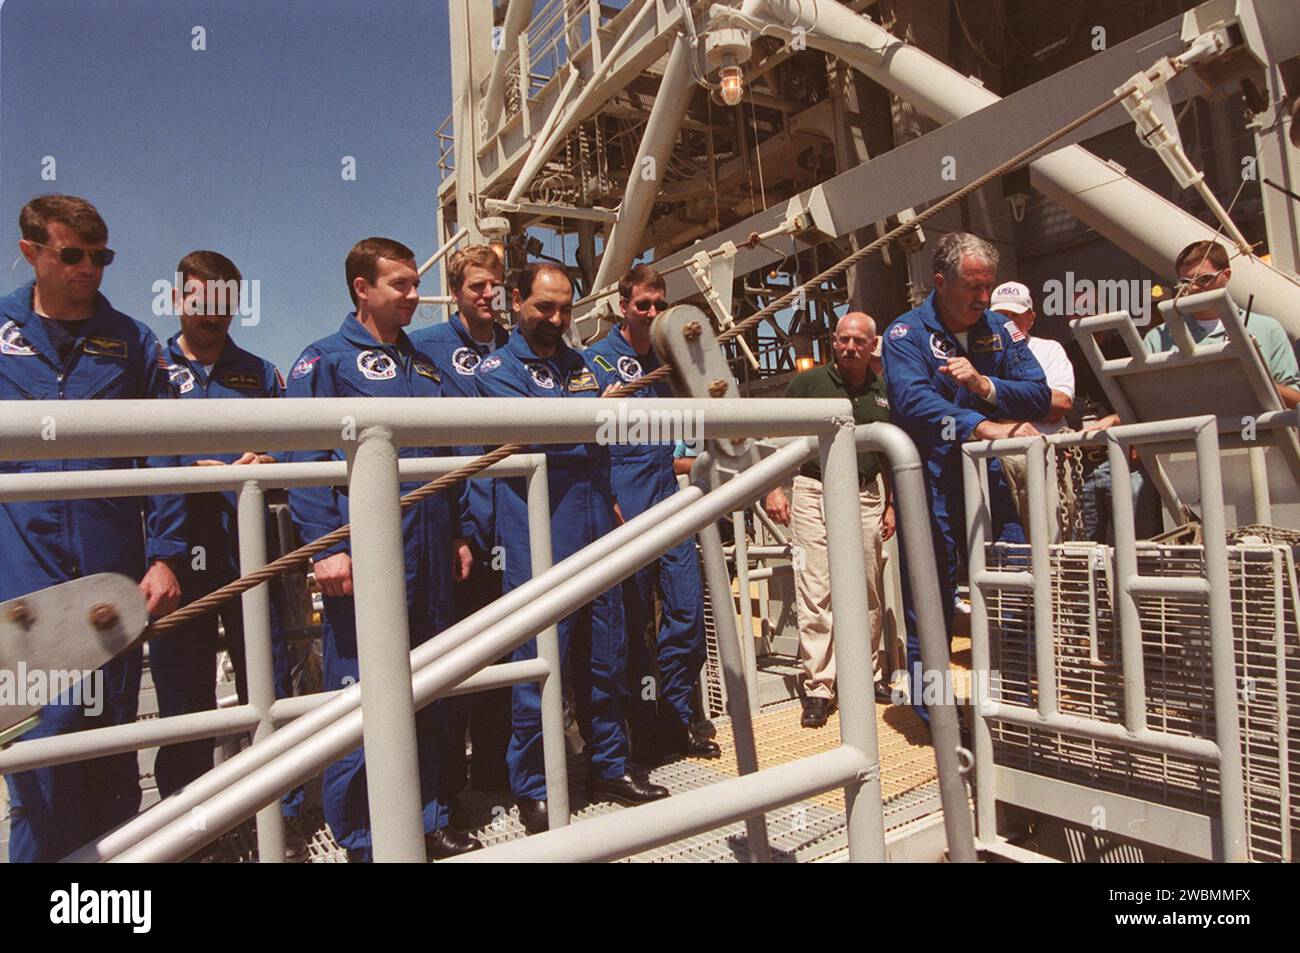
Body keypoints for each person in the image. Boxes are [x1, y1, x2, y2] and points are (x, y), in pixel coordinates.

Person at [1, 194, 185, 862]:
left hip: (111, 573)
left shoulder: (132, 341)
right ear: (32, 252)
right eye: (71, 254)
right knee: (43, 746)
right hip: (21, 572)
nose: (89, 268)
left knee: (108, 740)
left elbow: (164, 455)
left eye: (100, 256)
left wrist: (165, 554)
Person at [285, 237, 480, 861]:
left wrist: (457, 533)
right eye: (399, 284)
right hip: (364, 552)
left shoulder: (425, 366)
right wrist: (326, 549)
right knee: (360, 692)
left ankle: (428, 815)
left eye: (413, 282)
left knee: (429, 685)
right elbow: (303, 462)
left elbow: (451, 458)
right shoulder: (324, 362)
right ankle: (361, 832)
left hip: (430, 547)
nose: (413, 294)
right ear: (361, 289)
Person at [475, 262, 669, 835]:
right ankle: (535, 786)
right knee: (541, 661)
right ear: (516, 302)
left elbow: (599, 437)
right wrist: (593, 415)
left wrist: (610, 494)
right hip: (538, 531)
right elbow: (539, 430)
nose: (556, 320)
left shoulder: (581, 365)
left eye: (565, 309)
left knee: (604, 650)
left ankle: (609, 764)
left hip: (593, 522)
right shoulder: (497, 370)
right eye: (544, 308)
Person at [145, 250, 303, 821]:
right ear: (177, 298)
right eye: (200, 300)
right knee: (183, 694)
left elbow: (289, 443)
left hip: (246, 545)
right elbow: (129, 451)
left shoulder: (258, 373)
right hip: (172, 548)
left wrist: (264, 458)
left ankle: (279, 812)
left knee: (268, 676)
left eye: (225, 302)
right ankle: (187, 823)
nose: (213, 314)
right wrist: (191, 470)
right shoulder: (151, 368)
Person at [881, 232, 1050, 721]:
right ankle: (934, 716)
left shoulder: (1002, 329)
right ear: (940, 281)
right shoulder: (904, 335)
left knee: (1015, 580)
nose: (982, 298)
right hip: (929, 479)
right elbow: (912, 401)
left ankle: (1016, 706)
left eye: (987, 287)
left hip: (990, 479)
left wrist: (985, 386)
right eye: (972, 288)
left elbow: (1039, 395)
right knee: (929, 596)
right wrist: (980, 423)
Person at [587, 265, 719, 761]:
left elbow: (690, 432)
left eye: (659, 305)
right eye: (643, 305)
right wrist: (609, 504)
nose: (652, 314)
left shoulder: (672, 363)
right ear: (623, 305)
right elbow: (587, 445)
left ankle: (678, 711)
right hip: (624, 507)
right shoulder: (597, 361)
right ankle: (645, 728)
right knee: (633, 626)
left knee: (687, 614)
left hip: (669, 501)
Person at [410, 244, 513, 796]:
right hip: (456, 530)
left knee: (509, 653)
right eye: (477, 286)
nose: (487, 295)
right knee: (451, 663)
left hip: (514, 524)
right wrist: (452, 529)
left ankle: (497, 774)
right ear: (456, 291)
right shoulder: (424, 349)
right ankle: (446, 788)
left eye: (494, 285)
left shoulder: (515, 349)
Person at [764, 313, 896, 728]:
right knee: (815, 588)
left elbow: (889, 453)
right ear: (833, 343)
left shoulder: (883, 393)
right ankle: (819, 687)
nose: (850, 347)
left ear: (872, 345)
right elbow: (778, 438)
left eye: (859, 340)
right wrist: (774, 488)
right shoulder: (808, 385)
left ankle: (869, 675)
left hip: (867, 494)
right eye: (843, 340)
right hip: (812, 492)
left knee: (868, 588)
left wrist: (891, 504)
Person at [1143, 240, 1300, 408]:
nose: (1194, 288)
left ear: (1226, 275)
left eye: (1203, 279)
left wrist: (1252, 379)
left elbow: (1295, 400)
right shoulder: (1158, 338)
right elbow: (1145, 400)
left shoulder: (1267, 329)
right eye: (1186, 282)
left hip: (1251, 431)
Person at [988, 281, 1077, 538]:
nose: (1006, 323)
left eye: (1013, 316)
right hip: (998, 458)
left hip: (1046, 452)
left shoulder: (1048, 349)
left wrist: (1000, 405)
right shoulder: (979, 356)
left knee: (1053, 540)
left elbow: (1060, 403)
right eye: (999, 316)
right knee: (1008, 543)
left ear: (1031, 318)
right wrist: (1033, 401)